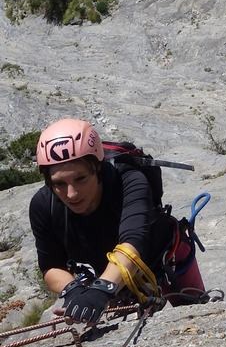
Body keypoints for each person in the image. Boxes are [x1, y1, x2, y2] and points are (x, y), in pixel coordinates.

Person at [30, 117, 178, 325]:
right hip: (104, 275)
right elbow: (51, 265)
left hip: (161, 263)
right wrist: (74, 291)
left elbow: (132, 243)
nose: (71, 194)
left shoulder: (129, 181)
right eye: (59, 184)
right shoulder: (44, 205)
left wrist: (102, 289)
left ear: (98, 168)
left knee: (196, 307)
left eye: (81, 179)